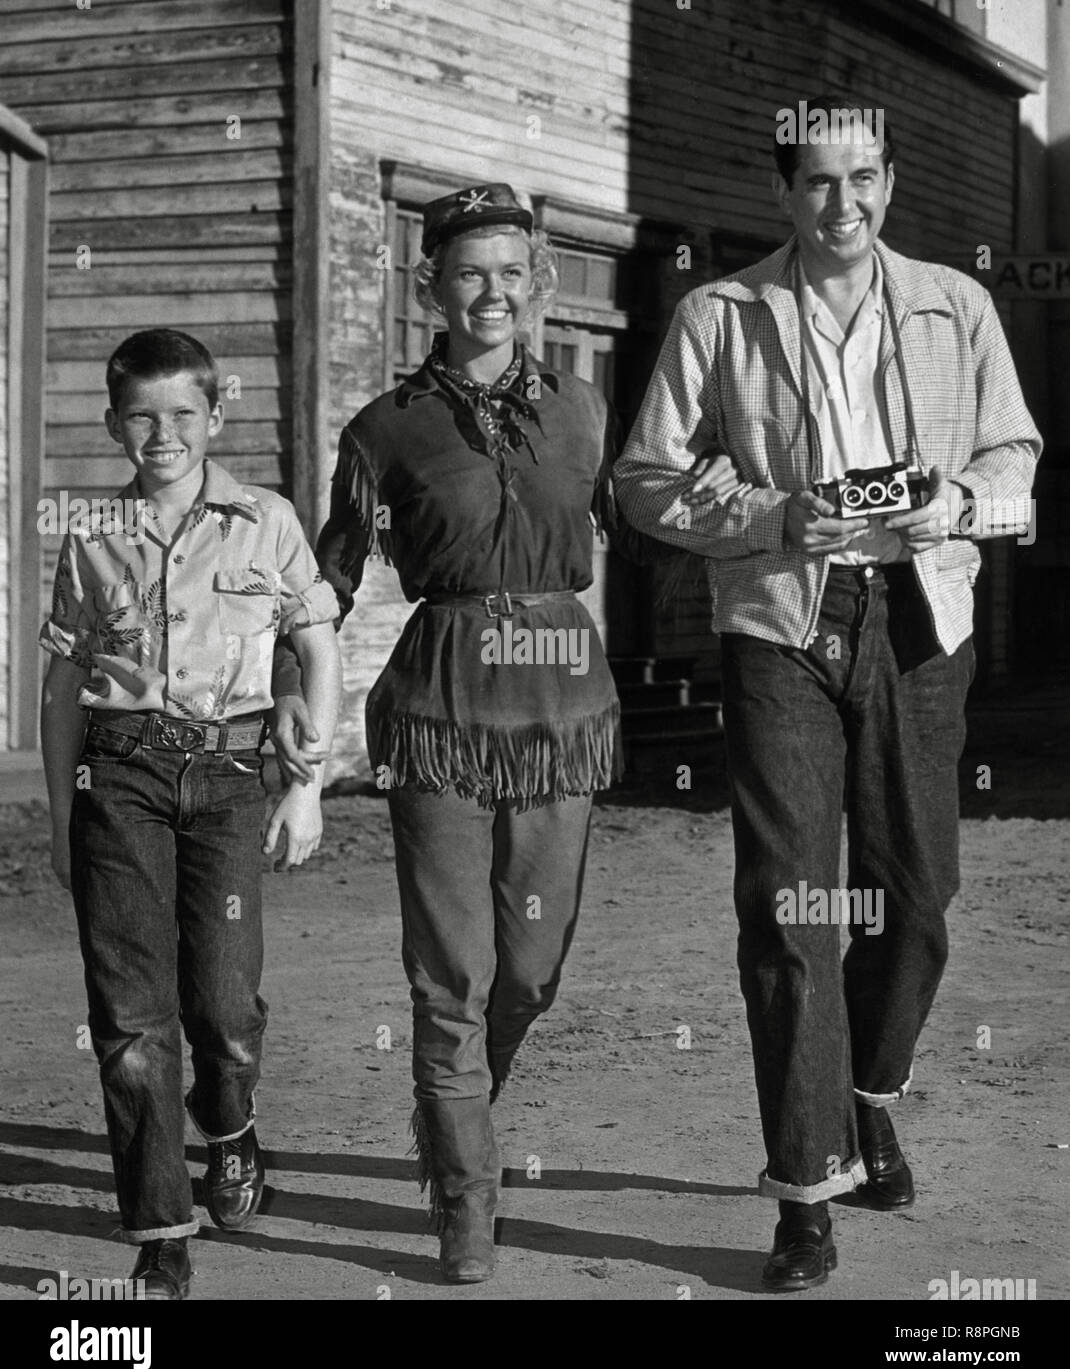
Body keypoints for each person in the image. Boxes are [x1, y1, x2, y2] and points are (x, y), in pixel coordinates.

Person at [615, 98, 1040, 1290]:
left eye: (860, 180)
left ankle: (863, 1091)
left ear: (891, 186)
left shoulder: (956, 307)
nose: (839, 204)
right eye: (815, 182)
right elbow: (645, 477)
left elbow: (1015, 458)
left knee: (915, 898)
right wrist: (770, 515)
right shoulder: (719, 312)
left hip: (915, 618)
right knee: (791, 909)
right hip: (780, 621)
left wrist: (954, 503)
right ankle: (804, 1190)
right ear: (783, 192)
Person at [272, 184, 670, 1284]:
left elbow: (641, 539)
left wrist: (737, 522)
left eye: (510, 271)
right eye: (466, 272)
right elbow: (328, 578)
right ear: (431, 286)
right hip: (440, 715)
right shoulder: (384, 428)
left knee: (529, 970)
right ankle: (465, 1200)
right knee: (451, 971)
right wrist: (288, 701)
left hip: (560, 715)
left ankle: (452, 1112)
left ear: (536, 284)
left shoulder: (587, 409)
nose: (490, 291)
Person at [39, 329, 341, 1300]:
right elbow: (63, 685)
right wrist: (58, 814)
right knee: (130, 1018)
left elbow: (316, 640)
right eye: (140, 414)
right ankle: (160, 1230)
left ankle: (233, 1123)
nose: (160, 433)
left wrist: (307, 785)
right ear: (112, 421)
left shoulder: (267, 521)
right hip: (117, 777)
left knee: (223, 1002)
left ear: (219, 413)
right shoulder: (92, 534)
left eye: (181, 413)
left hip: (225, 777)